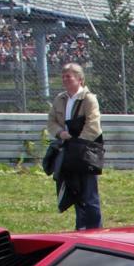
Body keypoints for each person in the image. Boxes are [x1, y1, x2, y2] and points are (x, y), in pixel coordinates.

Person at [46, 62, 104, 230]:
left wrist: (77, 143)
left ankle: (95, 229)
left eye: (69, 76)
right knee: (74, 189)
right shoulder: (60, 99)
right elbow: (51, 122)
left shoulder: (88, 99)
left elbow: (93, 126)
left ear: (80, 79)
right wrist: (60, 133)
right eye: (63, 76)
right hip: (68, 149)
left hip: (86, 152)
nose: (65, 80)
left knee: (89, 192)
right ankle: (81, 228)